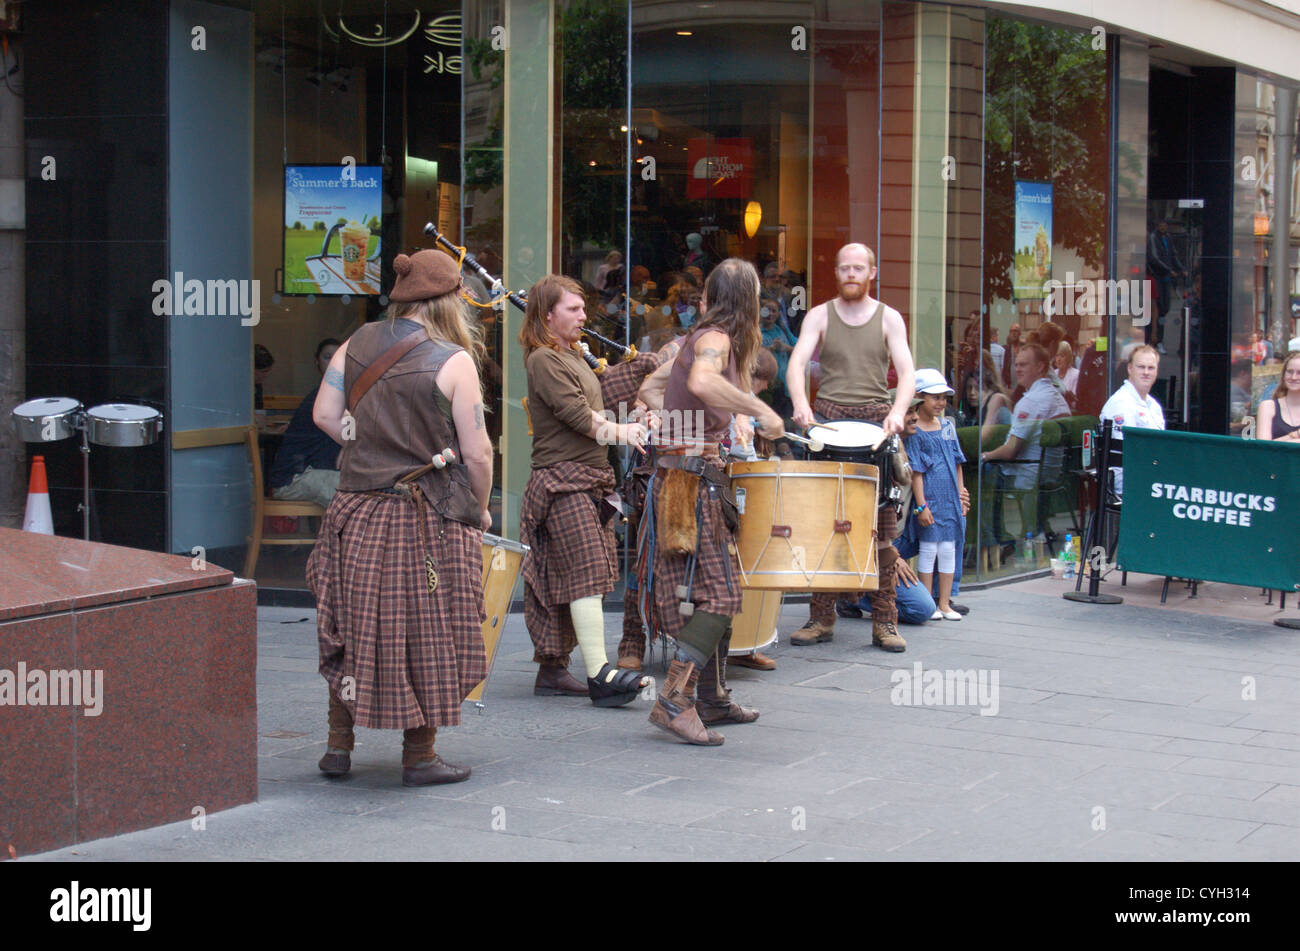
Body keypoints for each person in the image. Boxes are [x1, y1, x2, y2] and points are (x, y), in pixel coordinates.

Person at [306, 249, 494, 786]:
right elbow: (478, 453)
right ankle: (420, 756)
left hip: (354, 510)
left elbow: (325, 415)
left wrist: (364, 442)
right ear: (451, 298)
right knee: (429, 631)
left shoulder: (356, 342)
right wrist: (479, 509)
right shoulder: (453, 359)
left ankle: (338, 747)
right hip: (426, 518)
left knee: (348, 624)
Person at [637, 258, 784, 745]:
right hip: (689, 486)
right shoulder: (716, 339)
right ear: (748, 300)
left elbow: (658, 387)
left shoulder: (707, 339)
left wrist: (689, 428)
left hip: (692, 479)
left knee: (716, 595)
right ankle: (675, 700)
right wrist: (759, 408)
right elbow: (699, 382)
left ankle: (713, 700)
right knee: (719, 598)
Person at [518, 275, 652, 707]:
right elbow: (581, 418)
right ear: (547, 315)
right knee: (586, 573)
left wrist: (644, 383)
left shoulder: (572, 355)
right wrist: (624, 431)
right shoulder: (543, 359)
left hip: (586, 481)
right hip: (562, 483)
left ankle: (552, 672)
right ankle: (599, 675)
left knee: (571, 576)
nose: (583, 316)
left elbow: (602, 396)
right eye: (573, 309)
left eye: (582, 308)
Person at [785, 242, 916, 652]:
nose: (851, 274)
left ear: (872, 272)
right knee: (823, 524)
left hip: (876, 426)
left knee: (883, 530)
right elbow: (796, 362)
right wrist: (801, 404)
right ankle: (820, 617)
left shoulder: (889, 318)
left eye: (859, 268)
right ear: (837, 273)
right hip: (827, 424)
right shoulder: (819, 315)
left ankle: (885, 622)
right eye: (844, 268)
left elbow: (908, 372)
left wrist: (897, 412)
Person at [978, 343, 1070, 564]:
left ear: (1040, 367)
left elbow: (1010, 451)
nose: (1017, 369)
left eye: (1024, 365)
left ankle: (995, 542)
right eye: (1016, 364)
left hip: (1029, 476)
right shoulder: (1056, 395)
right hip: (1053, 475)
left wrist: (984, 455)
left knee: (980, 473)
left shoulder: (1030, 401)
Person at [906, 370, 969, 620]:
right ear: (919, 398)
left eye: (943, 397)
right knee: (929, 548)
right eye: (935, 397)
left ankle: (945, 603)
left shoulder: (947, 426)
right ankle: (929, 603)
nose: (941, 403)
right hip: (930, 500)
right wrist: (921, 506)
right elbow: (917, 472)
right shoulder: (915, 431)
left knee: (948, 549)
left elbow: (957, 462)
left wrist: (961, 493)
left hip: (950, 501)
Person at [268, 338, 343, 508]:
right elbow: (329, 422)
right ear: (316, 361)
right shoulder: (325, 396)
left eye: (337, 358)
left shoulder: (330, 393)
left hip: (309, 472)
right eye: (327, 357)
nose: (332, 363)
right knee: (356, 491)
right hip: (293, 479)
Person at [1100, 344, 1165, 495]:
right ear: (1130, 369)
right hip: (1130, 484)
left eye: (1151, 368)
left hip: (1151, 478)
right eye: (1141, 367)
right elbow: (1129, 453)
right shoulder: (1121, 403)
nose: (1146, 372)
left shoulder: (1154, 405)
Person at [1147, 219, 1185, 354]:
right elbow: (1154, 258)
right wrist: (1169, 270)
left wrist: (1181, 268)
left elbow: (1173, 255)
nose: (1164, 227)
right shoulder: (1152, 238)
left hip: (1166, 278)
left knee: (1165, 308)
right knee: (1157, 308)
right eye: (1161, 224)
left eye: (1165, 225)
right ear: (1157, 226)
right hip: (1157, 276)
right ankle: (1155, 340)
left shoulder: (1167, 238)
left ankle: (1159, 339)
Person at [1256, 350, 1300, 443]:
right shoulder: (1268, 406)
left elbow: (1271, 445)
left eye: (1299, 373)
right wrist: (1296, 435)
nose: (1294, 377)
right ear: (1283, 375)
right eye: (1289, 372)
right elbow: (1263, 447)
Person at [254, 344, 275, 410]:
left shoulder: (257, 386)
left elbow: (259, 409)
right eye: (264, 371)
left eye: (268, 371)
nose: (266, 375)